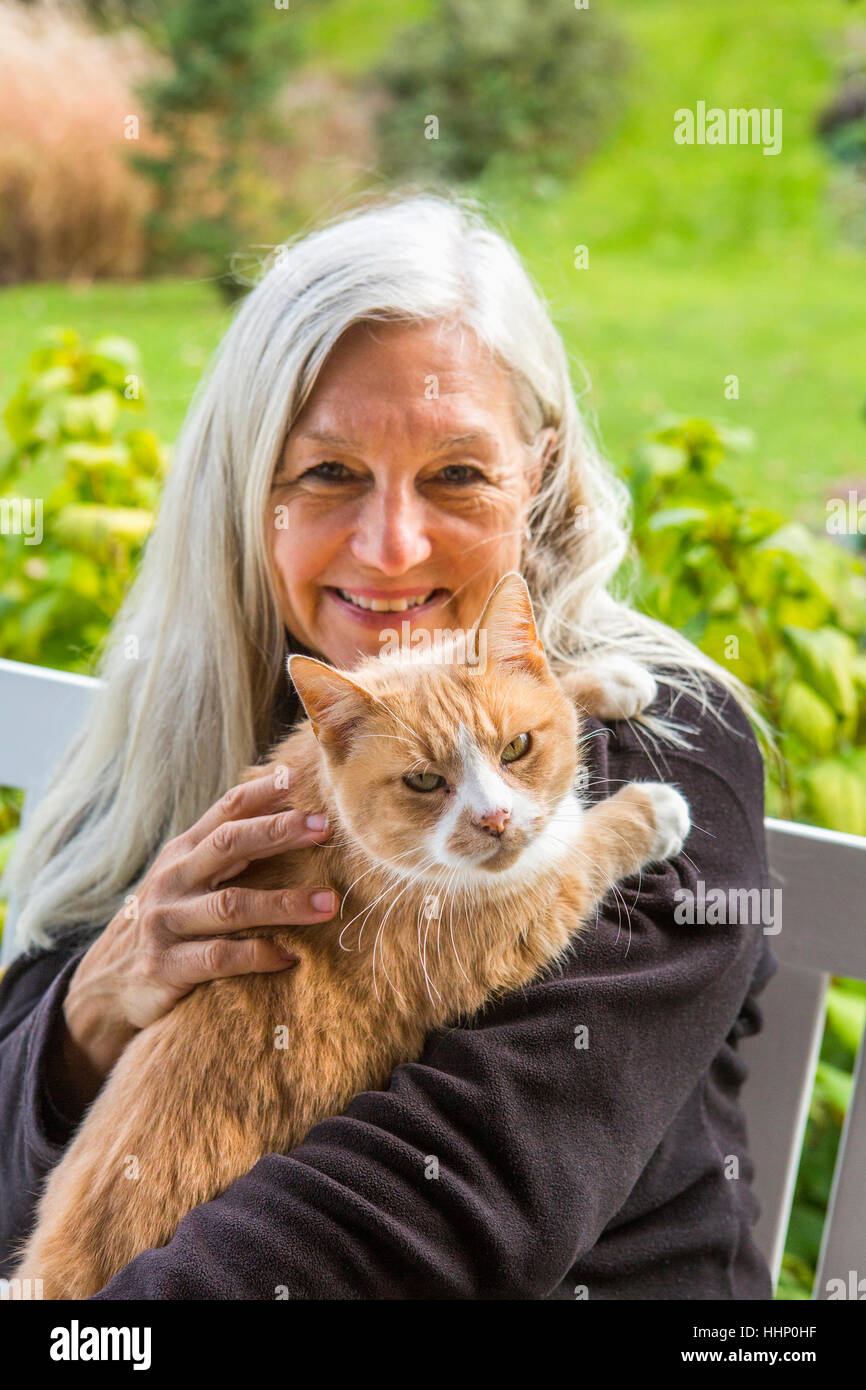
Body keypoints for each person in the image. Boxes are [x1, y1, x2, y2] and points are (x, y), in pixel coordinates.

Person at [0, 191, 777, 1299]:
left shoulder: (644, 747)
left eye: (457, 474)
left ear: (540, 475)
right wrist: (90, 1012)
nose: (391, 545)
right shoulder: (210, 717)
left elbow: (431, 1212)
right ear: (247, 489)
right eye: (327, 473)